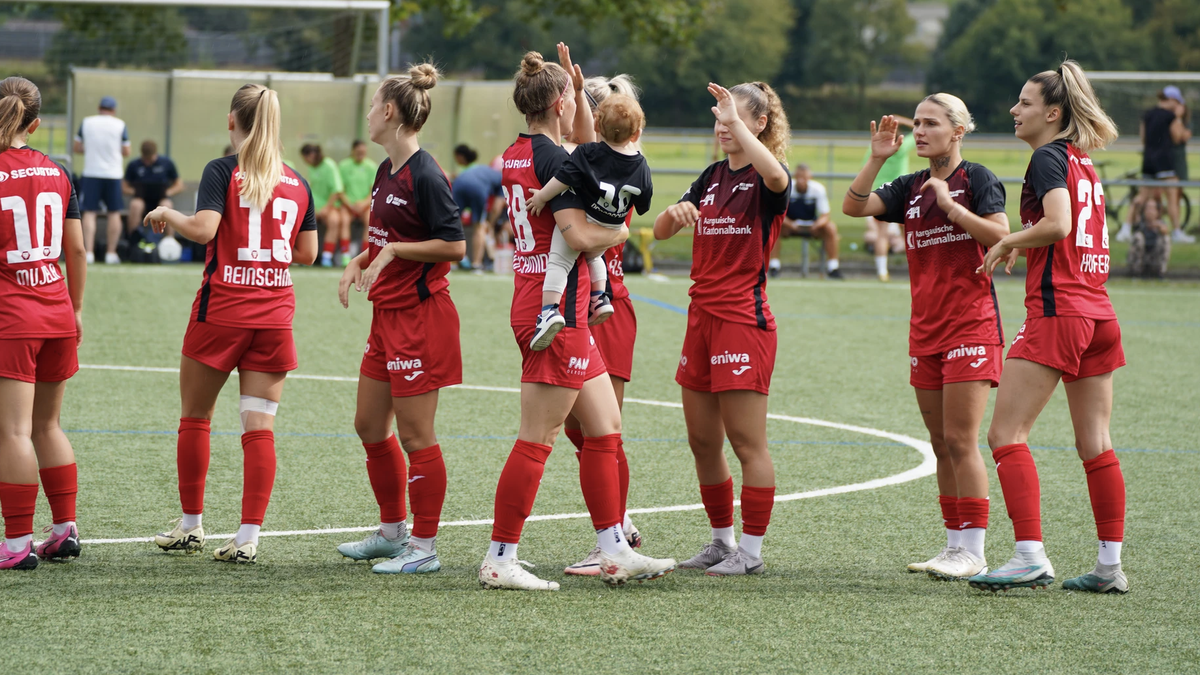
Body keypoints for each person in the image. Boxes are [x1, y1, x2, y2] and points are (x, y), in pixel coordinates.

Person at [480, 46, 674, 591]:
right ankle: (500, 556)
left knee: (605, 429)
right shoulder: (554, 159)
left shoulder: (520, 151)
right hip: (556, 311)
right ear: (562, 100)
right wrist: (619, 233)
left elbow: (590, 150)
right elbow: (580, 235)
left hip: (551, 299)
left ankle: (614, 547)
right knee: (536, 437)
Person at [971, 60, 1128, 594]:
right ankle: (1109, 566)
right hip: (1099, 314)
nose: (1015, 110)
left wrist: (1009, 240)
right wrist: (1024, 240)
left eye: (1025, 102)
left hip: (1060, 313)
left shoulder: (1047, 157)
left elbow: (1058, 225)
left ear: (1053, 112)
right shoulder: (1082, 162)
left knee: (1005, 434)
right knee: (1097, 443)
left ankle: (1028, 555)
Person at [146, 83, 319, 564]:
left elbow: (203, 229)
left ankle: (191, 526)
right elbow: (307, 253)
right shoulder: (296, 181)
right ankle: (247, 538)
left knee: (195, 417)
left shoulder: (223, 169)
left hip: (222, 312)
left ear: (231, 120)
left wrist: (166, 212)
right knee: (258, 428)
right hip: (274, 316)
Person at [843, 95, 1009, 581]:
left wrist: (953, 209)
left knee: (961, 439)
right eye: (917, 123)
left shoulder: (976, 179)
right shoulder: (910, 185)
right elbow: (855, 207)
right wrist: (876, 158)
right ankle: (954, 544)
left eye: (931, 123)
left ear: (958, 131)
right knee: (940, 443)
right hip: (926, 331)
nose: (920, 131)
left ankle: (974, 549)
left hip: (971, 327)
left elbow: (1000, 235)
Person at [653, 81, 792, 576]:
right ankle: (720, 541)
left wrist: (736, 121)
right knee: (702, 441)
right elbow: (662, 230)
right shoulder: (710, 176)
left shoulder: (767, 177)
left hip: (742, 322)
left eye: (732, 117)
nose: (721, 126)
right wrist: (675, 213)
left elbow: (776, 175)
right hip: (701, 319)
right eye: (717, 117)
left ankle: (750, 554)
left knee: (746, 443)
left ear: (759, 124)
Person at [333, 65, 464, 575]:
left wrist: (394, 254)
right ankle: (392, 532)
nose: (368, 114)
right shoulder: (385, 170)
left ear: (389, 112)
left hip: (420, 319)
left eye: (372, 105)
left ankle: (424, 548)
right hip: (385, 319)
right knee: (369, 425)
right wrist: (359, 261)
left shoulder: (427, 173)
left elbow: (454, 245)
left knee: (416, 436)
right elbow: (382, 241)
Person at [560, 72, 646, 577]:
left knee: (604, 431)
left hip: (605, 307)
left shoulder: (615, 167)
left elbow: (610, 235)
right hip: (575, 306)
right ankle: (619, 525)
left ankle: (614, 538)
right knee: (578, 426)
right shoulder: (582, 161)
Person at [0, 76, 87, 570]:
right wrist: (75, 309)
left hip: (13, 316)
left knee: (11, 432)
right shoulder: (58, 171)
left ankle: (15, 544)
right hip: (56, 310)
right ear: (35, 124)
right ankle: (63, 530)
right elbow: (75, 249)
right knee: (46, 425)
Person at [526, 92, 653, 349]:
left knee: (560, 261)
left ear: (596, 125)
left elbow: (563, 178)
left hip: (587, 219)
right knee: (596, 257)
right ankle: (600, 297)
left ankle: (549, 310)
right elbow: (643, 205)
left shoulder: (588, 152)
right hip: (614, 224)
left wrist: (541, 197)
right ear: (636, 134)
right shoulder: (642, 166)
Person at [74, 95, 130, 264]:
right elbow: (126, 151)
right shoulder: (120, 124)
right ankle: (111, 253)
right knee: (114, 212)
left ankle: (89, 253)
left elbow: (77, 147)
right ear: (113, 110)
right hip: (113, 174)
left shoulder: (87, 122)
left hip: (91, 172)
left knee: (89, 212)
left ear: (99, 108)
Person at [1136, 86, 1192, 244]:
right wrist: (1179, 118)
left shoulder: (1148, 114)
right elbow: (1177, 138)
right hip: (1164, 161)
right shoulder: (1170, 116)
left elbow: (1143, 138)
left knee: (1141, 198)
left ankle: (1127, 228)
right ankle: (1177, 232)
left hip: (1148, 159)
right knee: (1172, 198)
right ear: (1173, 100)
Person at [863, 116, 915, 281]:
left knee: (882, 234)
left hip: (880, 193)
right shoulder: (901, 145)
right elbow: (918, 129)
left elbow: (865, 167)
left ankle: (882, 271)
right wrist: (901, 119)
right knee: (910, 233)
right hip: (900, 193)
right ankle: (917, 268)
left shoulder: (874, 147)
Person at [770, 163, 842, 279]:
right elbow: (777, 212)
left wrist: (817, 225)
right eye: (799, 177)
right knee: (773, 226)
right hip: (789, 225)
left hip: (812, 225)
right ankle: (774, 266)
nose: (801, 180)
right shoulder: (787, 187)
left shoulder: (817, 189)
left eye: (804, 177)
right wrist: (790, 224)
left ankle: (833, 268)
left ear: (810, 177)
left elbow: (825, 215)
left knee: (831, 228)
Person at [450, 144, 505, 272]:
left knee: (453, 222)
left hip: (459, 183)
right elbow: (497, 206)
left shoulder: (484, 169)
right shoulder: (502, 179)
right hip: (477, 188)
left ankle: (452, 262)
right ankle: (476, 264)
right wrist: (490, 224)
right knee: (479, 226)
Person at [301, 143, 350, 266]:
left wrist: (326, 208)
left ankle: (326, 257)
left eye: (305, 158)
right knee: (303, 221)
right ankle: (302, 256)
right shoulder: (311, 167)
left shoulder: (329, 165)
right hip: (314, 206)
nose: (305, 161)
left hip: (329, 205)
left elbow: (336, 190)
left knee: (334, 220)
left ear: (311, 155)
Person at [123, 139, 183, 239]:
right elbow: (124, 187)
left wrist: (168, 192)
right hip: (141, 199)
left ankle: (169, 240)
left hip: (160, 199)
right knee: (135, 205)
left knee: (167, 205)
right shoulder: (134, 165)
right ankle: (133, 239)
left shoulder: (166, 163)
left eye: (150, 159)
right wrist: (135, 191)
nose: (147, 162)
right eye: (145, 159)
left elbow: (179, 185)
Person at [339, 139, 377, 253]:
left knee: (370, 221)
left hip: (364, 205)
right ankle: (345, 254)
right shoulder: (344, 165)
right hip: (348, 205)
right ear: (353, 151)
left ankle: (366, 255)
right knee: (344, 221)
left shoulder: (371, 166)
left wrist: (363, 204)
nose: (361, 154)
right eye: (358, 151)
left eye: (363, 152)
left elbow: (373, 191)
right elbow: (340, 190)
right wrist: (350, 205)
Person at [1128, 197, 1170, 279]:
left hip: (1155, 257)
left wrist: (1157, 226)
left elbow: (1165, 230)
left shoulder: (1160, 224)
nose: (1150, 212)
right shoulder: (1140, 222)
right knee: (1138, 238)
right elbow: (1134, 221)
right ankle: (1135, 272)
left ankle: (1160, 272)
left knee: (1166, 239)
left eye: (1152, 209)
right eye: (1148, 208)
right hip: (1141, 258)